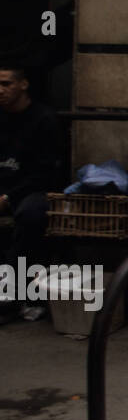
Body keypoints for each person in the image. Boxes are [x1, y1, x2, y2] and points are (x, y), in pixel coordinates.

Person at [0, 62, 61, 322]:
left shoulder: (43, 120)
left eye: (6, 84)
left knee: (31, 215)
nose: (0, 90)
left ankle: (13, 295)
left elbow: (46, 173)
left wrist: (8, 197)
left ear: (23, 84)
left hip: (31, 191)